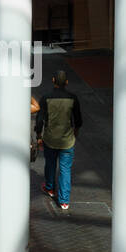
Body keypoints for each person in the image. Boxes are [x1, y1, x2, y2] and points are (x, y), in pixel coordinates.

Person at [36, 69, 82, 211]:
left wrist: (39, 136)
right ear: (67, 82)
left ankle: (50, 188)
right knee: (65, 170)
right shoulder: (73, 98)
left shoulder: (46, 98)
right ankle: (64, 201)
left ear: (53, 81)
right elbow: (78, 120)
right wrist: (75, 132)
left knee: (50, 164)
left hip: (50, 139)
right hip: (67, 141)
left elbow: (40, 120)